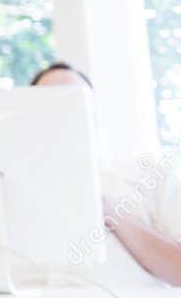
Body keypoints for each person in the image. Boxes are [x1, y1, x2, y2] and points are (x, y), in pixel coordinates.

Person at [30, 61, 180, 285]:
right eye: (49, 103)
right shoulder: (15, 189)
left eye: (73, 99)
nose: (62, 111)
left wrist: (110, 213)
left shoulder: (150, 171)